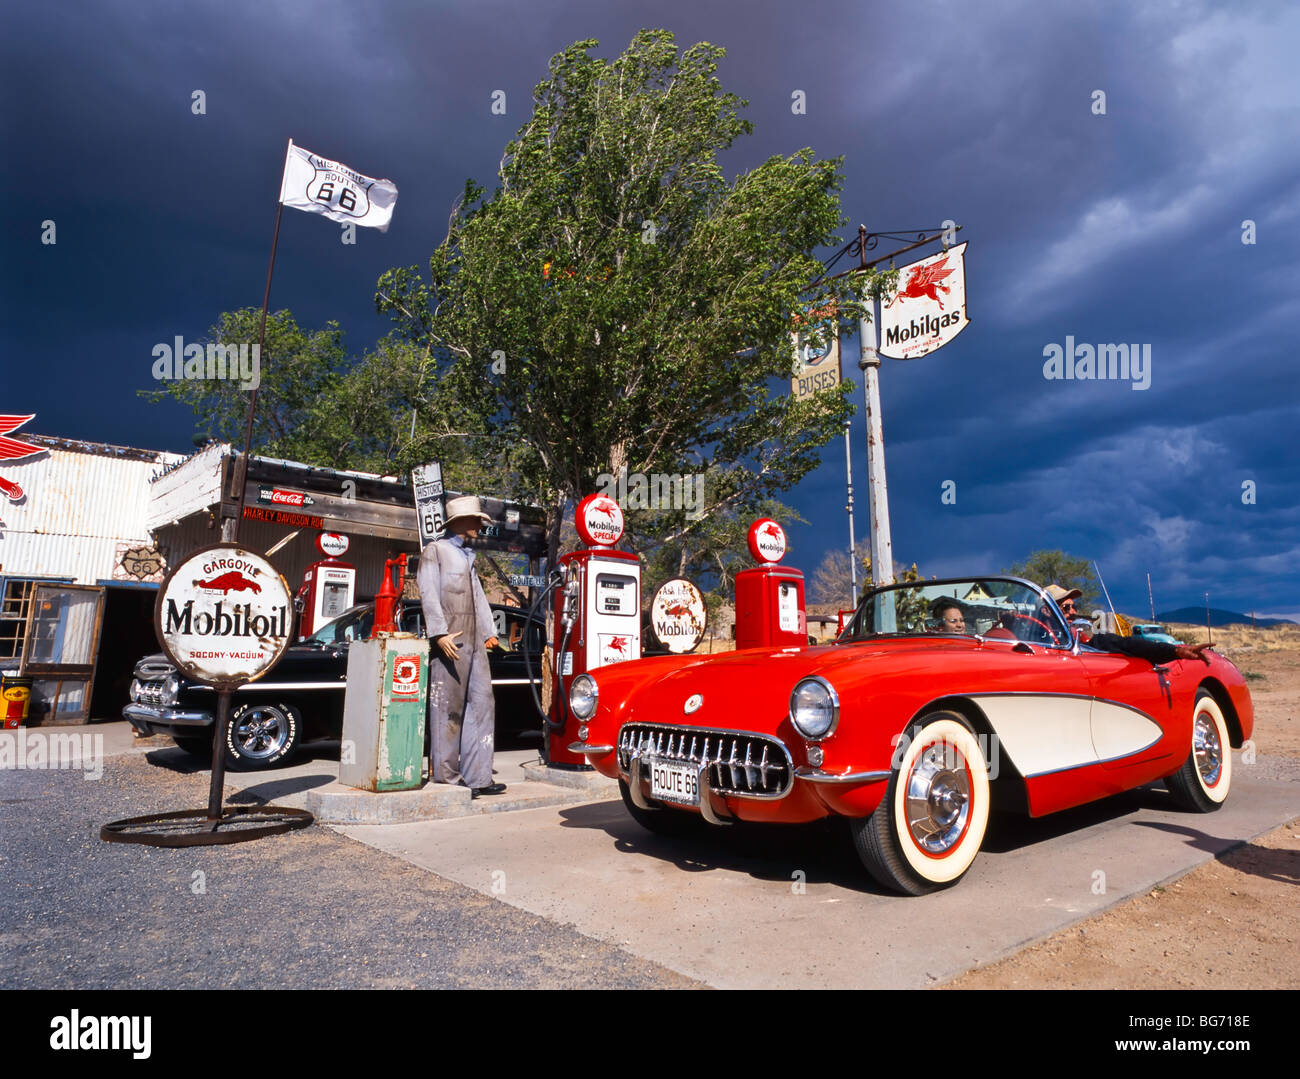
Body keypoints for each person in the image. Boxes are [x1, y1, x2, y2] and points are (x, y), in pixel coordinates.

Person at [417, 495, 505, 797]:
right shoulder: (435, 550)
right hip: (450, 639)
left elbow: (478, 596)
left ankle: (479, 777)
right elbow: (427, 592)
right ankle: (446, 777)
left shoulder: (468, 557)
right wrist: (438, 633)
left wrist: (487, 631)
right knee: (448, 708)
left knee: (482, 703)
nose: (481, 525)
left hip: (475, 640)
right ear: (461, 522)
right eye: (477, 520)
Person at [1043, 583, 1215, 664]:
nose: (1073, 612)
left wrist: (1176, 651)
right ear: (1046, 611)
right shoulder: (1030, 637)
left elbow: (1126, 644)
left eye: (1074, 607)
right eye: (1066, 607)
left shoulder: (1082, 641)